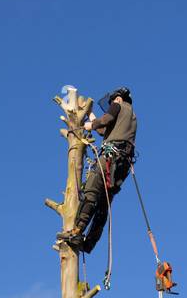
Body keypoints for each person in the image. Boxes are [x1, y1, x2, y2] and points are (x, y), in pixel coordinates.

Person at [57, 87, 138, 254]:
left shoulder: (118, 105)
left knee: (92, 190)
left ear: (118, 98)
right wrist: (91, 115)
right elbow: (103, 130)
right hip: (122, 164)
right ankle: (90, 242)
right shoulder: (131, 116)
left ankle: (77, 232)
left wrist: (89, 125)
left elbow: (105, 120)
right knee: (103, 203)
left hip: (110, 157)